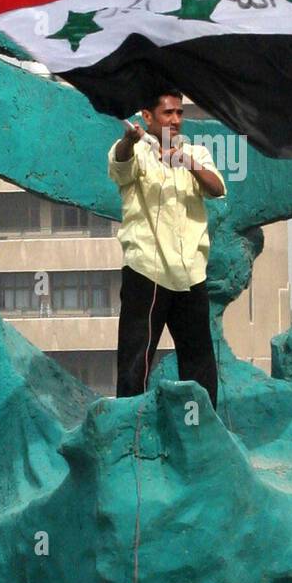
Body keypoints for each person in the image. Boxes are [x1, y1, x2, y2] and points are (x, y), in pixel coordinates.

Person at [108, 87, 226, 408]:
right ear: (147, 117)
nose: (175, 120)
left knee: (198, 358)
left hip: (189, 273)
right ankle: (129, 428)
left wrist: (185, 161)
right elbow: (120, 166)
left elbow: (216, 188)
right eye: (167, 113)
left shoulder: (195, 152)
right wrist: (130, 141)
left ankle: (202, 426)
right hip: (148, 270)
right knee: (137, 358)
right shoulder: (134, 150)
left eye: (179, 113)